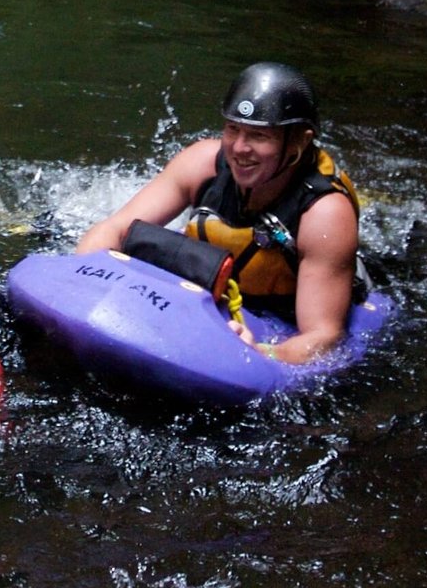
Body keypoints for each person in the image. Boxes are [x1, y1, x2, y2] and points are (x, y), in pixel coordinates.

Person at [73, 62, 362, 364]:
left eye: (259, 136)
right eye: (232, 129)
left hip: (276, 314)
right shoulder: (202, 163)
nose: (239, 148)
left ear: (300, 141)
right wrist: (85, 282)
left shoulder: (324, 213)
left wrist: (264, 353)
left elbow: (323, 336)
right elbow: (115, 229)